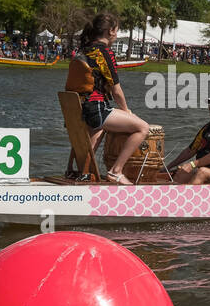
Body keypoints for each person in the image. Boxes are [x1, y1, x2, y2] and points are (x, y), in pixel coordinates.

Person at [64, 13, 149, 184]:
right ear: (110, 31)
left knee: (99, 129)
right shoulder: (104, 53)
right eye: (116, 31)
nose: (116, 35)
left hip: (79, 109)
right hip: (95, 109)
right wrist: (127, 111)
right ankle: (116, 171)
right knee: (142, 128)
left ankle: (76, 170)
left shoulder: (84, 50)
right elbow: (116, 90)